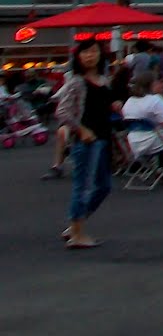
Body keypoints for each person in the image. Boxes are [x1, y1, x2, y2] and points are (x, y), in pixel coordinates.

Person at [57, 41, 116, 248]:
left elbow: (104, 105)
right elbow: (62, 111)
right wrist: (81, 130)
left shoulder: (104, 80)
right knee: (82, 187)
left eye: (94, 52)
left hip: (104, 137)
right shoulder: (76, 82)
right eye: (85, 52)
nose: (90, 56)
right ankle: (77, 234)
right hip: (86, 140)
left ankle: (76, 224)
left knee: (104, 186)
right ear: (78, 56)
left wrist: (115, 106)